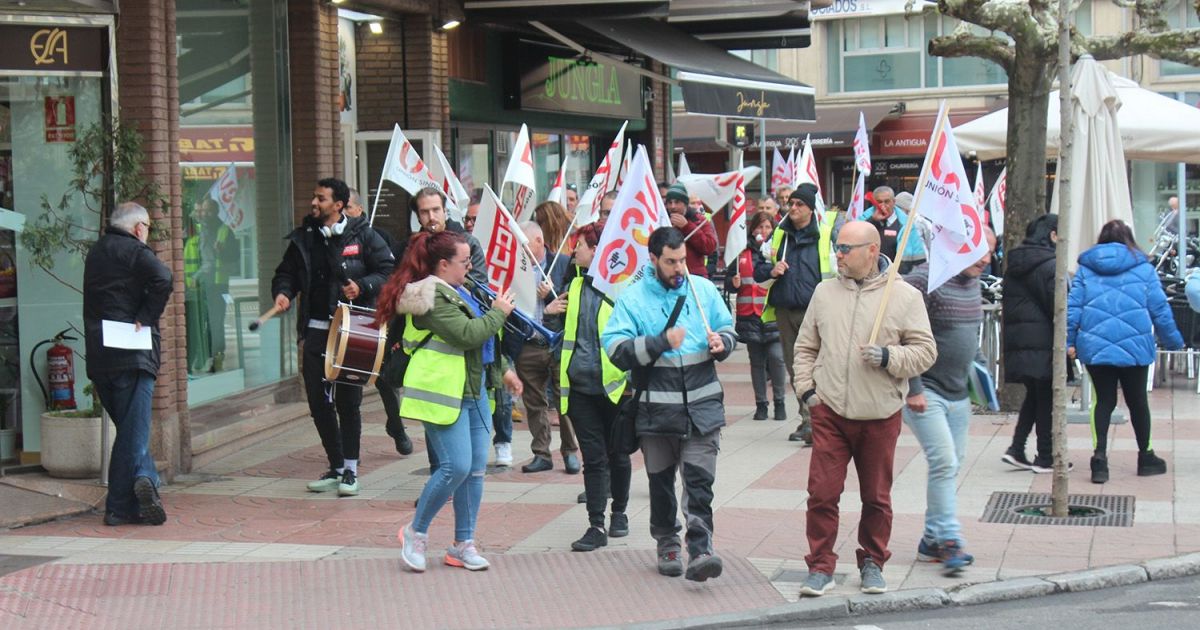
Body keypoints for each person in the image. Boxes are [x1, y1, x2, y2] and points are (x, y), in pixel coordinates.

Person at [792, 221, 936, 597]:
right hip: (830, 412)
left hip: (880, 414)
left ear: (872, 250)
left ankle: (873, 561)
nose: (837, 254)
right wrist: (808, 393)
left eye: (846, 249)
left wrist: (889, 356)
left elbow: (925, 351)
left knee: (876, 496)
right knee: (822, 493)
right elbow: (805, 347)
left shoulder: (903, 296)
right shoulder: (824, 292)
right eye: (837, 247)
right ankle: (820, 566)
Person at [603, 226, 737, 583]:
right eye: (671, 261)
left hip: (703, 408)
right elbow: (615, 349)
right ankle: (667, 542)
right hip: (655, 411)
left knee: (699, 483)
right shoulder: (633, 299)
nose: (680, 268)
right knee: (660, 483)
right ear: (653, 259)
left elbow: (727, 327)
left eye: (682, 260)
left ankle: (701, 548)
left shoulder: (703, 289)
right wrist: (660, 342)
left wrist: (722, 343)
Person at [389, 230, 517, 572]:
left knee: (474, 472)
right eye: (464, 261)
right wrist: (499, 313)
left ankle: (463, 543)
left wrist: (503, 369)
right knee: (455, 467)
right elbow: (468, 334)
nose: (470, 266)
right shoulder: (429, 296)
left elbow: (483, 343)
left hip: (472, 391)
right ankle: (415, 532)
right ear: (444, 265)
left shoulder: (461, 292)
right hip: (443, 393)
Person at [271, 177, 395, 496]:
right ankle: (336, 465)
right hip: (315, 333)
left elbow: (388, 272)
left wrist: (362, 286)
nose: (314, 203)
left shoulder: (364, 235)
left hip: (351, 332)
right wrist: (284, 293)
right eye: (314, 197)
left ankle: (351, 471)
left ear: (338, 205)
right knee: (317, 402)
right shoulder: (304, 239)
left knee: (347, 402)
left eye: (321, 198)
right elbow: (285, 273)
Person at [902, 228, 997, 576]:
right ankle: (950, 540)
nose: (987, 258)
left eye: (991, 250)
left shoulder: (972, 283)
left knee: (952, 464)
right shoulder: (925, 280)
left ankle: (930, 540)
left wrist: (983, 377)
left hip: (959, 393)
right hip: (925, 391)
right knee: (943, 462)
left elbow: (970, 338)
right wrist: (912, 387)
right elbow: (899, 331)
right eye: (980, 250)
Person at [1068, 219, 1183, 483]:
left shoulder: (1086, 269)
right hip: (1135, 346)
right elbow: (1159, 309)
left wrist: (1068, 342)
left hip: (1095, 346)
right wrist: (1173, 340)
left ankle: (1099, 460)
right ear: (1129, 239)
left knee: (1103, 401)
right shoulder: (1143, 268)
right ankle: (1146, 457)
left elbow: (1073, 308)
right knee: (1138, 402)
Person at [84, 202, 173, 526]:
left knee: (129, 432)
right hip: (132, 357)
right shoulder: (135, 251)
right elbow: (164, 277)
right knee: (133, 436)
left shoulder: (96, 252)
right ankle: (120, 504)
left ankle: (142, 488)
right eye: (147, 227)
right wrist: (145, 318)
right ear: (138, 229)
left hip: (100, 356)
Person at [557, 222, 632, 552]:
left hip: (615, 388)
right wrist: (549, 311)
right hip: (580, 389)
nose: (574, 250)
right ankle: (595, 524)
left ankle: (619, 513)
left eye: (581, 245)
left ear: (598, 250)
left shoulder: (622, 288)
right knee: (594, 457)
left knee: (618, 454)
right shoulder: (573, 286)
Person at [754, 183, 835, 444]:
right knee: (795, 368)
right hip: (786, 312)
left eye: (799, 204)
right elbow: (758, 271)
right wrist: (771, 271)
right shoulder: (779, 236)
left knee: (819, 368)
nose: (793, 208)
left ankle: (820, 422)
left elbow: (838, 271)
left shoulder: (825, 235)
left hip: (818, 312)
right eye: (791, 204)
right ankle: (807, 420)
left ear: (811, 209)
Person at [345, 187, 412, 456]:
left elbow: (388, 273)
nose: (343, 213)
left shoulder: (377, 238)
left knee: (384, 377)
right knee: (349, 387)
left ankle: (396, 426)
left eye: (347, 207)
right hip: (343, 320)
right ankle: (349, 453)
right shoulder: (329, 240)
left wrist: (363, 286)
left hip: (376, 317)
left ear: (359, 210)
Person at [516, 222, 580, 474]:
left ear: (540, 241)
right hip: (528, 342)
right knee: (534, 402)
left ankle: (570, 451)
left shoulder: (562, 264)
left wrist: (550, 297)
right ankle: (541, 452)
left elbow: (572, 302)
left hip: (557, 342)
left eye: (525, 244)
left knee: (563, 399)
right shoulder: (517, 269)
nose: (521, 250)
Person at [1001, 214, 1059, 473]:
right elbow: (1056, 307)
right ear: (1053, 235)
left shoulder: (1016, 261)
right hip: (1043, 341)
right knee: (1044, 397)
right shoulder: (1049, 264)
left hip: (1021, 341)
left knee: (1035, 396)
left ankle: (1017, 447)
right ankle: (1045, 456)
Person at [729, 211, 788, 421]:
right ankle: (761, 403)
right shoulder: (741, 253)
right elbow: (730, 282)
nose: (763, 231)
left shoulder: (777, 251)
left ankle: (779, 401)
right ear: (752, 229)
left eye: (767, 227)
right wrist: (732, 283)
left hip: (771, 313)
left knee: (777, 358)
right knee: (756, 361)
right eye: (759, 227)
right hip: (749, 316)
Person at [855, 186, 926, 274]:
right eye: (879, 202)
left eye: (887, 201)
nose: (883, 206)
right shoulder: (864, 219)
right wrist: (872, 220)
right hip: (869, 277)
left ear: (894, 202)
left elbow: (919, 258)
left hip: (898, 277)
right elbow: (855, 238)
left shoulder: (906, 224)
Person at [663, 181, 717, 278]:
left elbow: (710, 247)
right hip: (668, 277)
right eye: (669, 203)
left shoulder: (699, 220)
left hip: (694, 277)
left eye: (677, 202)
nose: (672, 206)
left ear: (685, 204)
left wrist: (687, 227)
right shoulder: (661, 221)